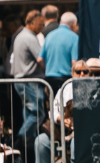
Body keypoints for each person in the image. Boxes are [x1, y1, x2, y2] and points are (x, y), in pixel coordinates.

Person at [9, 10, 46, 144]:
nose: (42, 28)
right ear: (31, 23)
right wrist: (46, 72)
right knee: (38, 113)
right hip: (29, 80)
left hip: (22, 80)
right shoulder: (29, 37)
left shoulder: (21, 35)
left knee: (29, 113)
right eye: (40, 24)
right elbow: (40, 58)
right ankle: (20, 139)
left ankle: (29, 145)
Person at [40, 12, 80, 92]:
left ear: (61, 22)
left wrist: (47, 70)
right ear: (73, 24)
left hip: (49, 78)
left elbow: (40, 59)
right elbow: (74, 62)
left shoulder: (49, 35)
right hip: (66, 79)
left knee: (52, 103)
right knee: (65, 103)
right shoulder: (74, 37)